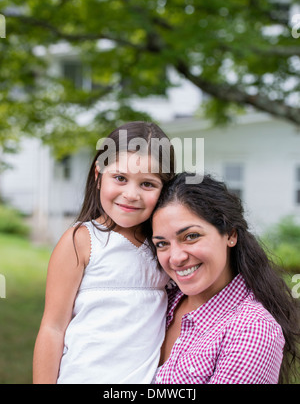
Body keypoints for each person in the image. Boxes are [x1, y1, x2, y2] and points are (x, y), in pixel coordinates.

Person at [33, 121, 175, 384]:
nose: (131, 194)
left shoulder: (165, 247)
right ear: (98, 176)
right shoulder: (82, 240)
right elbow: (52, 328)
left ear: (165, 189)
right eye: (120, 178)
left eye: (148, 184)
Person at [150, 172, 300, 384]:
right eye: (162, 243)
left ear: (230, 234)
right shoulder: (159, 299)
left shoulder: (251, 329)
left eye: (191, 236)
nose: (176, 258)